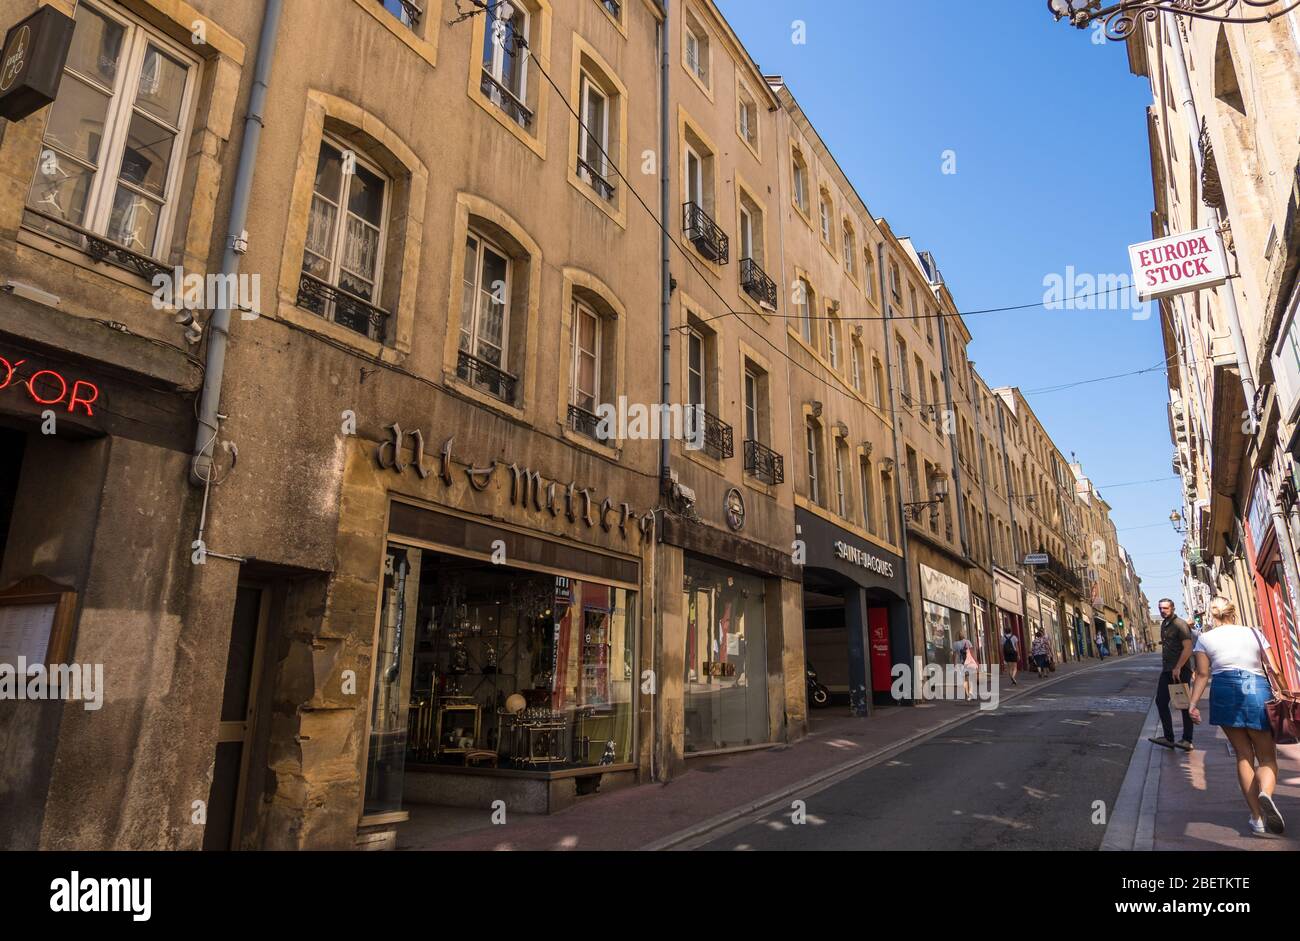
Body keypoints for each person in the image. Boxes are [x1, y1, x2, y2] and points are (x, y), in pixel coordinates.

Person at [1188, 596, 1286, 836]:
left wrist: (1192, 704)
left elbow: (1202, 674)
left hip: (1223, 689)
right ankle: (1266, 793)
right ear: (1233, 611)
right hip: (1255, 688)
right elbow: (1273, 668)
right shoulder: (1253, 633)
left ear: (1212, 615)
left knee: (1243, 755)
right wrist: (1284, 691)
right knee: (1266, 757)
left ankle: (1257, 818)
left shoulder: (1205, 638)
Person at [1150, 597, 1195, 752]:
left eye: (1166, 608)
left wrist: (1178, 667)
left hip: (1179, 670)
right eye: (1161, 608)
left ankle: (1187, 740)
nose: (1163, 611)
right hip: (1167, 670)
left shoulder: (1179, 624)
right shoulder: (1164, 624)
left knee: (1183, 704)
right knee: (1161, 701)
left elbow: (1188, 648)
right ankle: (1169, 738)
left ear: (1173, 608)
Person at [952, 630, 977, 701]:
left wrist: (954, 663)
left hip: (961, 663)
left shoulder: (955, 644)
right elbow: (972, 652)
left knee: (965, 679)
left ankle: (968, 695)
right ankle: (971, 692)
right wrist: (975, 660)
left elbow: (954, 655)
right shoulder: (967, 642)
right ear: (963, 635)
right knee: (971, 678)